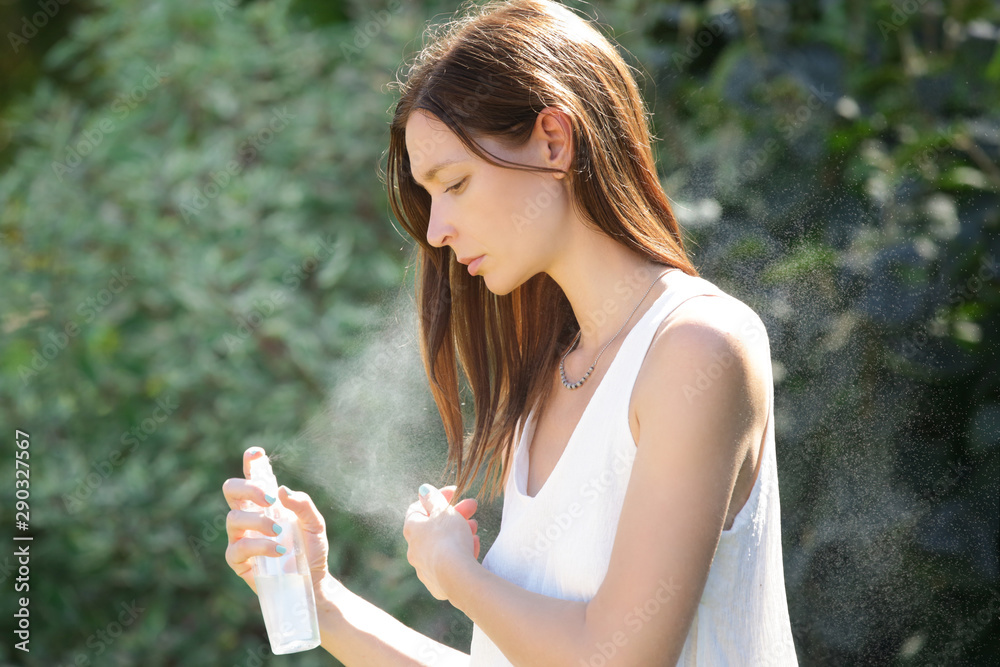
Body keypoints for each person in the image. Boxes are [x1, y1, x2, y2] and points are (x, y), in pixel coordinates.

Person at [223, 0, 799, 664]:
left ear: (554, 142)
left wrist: (460, 577)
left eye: (456, 183)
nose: (436, 231)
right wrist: (323, 600)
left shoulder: (698, 347)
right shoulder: (547, 384)